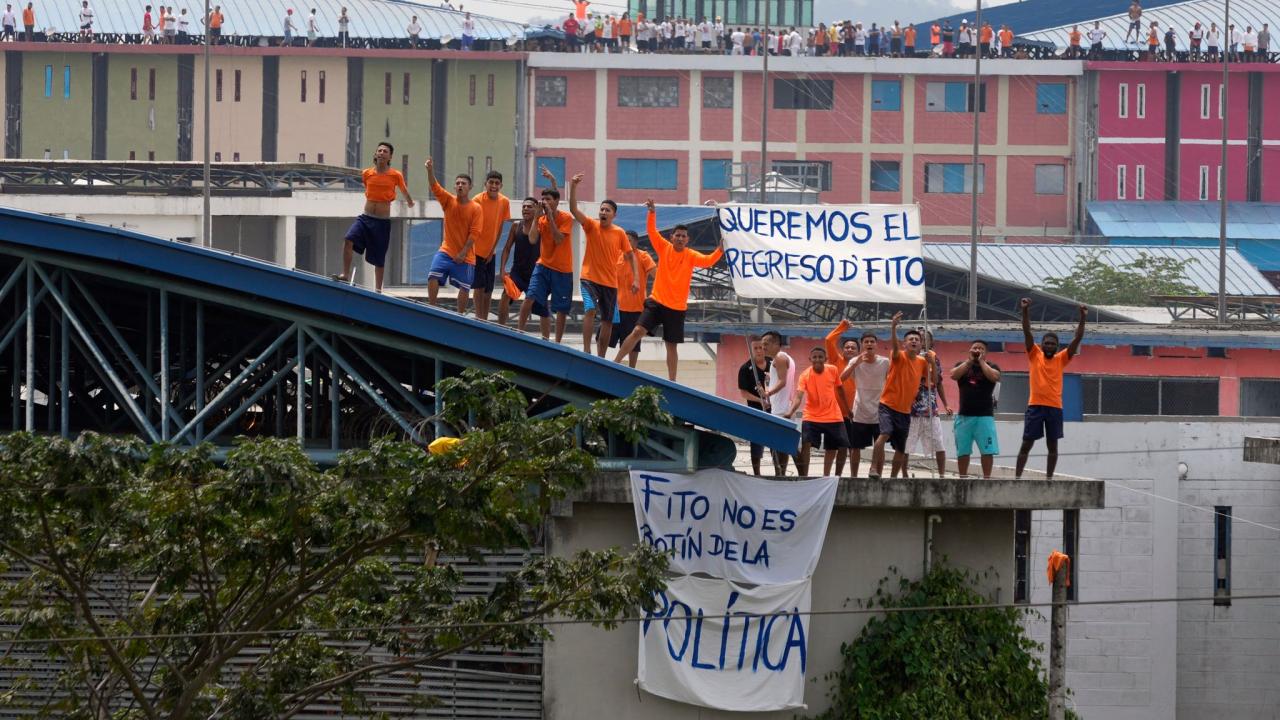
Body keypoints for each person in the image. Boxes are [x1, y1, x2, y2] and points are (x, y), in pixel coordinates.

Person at [611, 200, 723, 381]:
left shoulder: (691, 255)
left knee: (671, 346)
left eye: (683, 236)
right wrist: (652, 212)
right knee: (637, 331)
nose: (680, 238)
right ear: (672, 237)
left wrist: (720, 250)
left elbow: (709, 260)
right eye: (677, 235)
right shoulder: (664, 248)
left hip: (677, 308)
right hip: (656, 301)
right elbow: (653, 232)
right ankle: (615, 362)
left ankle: (672, 381)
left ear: (688, 240)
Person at [1015, 298, 1087, 480]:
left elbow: (1077, 338)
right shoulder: (1034, 354)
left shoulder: (1062, 358)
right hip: (1035, 406)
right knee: (1026, 444)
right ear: (1041, 344)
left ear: (1057, 347)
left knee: (1052, 445)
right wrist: (1025, 310)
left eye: (1052, 344)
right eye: (1046, 343)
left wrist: (1082, 317)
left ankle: (1049, 478)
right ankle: (1016, 478)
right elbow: (1026, 331)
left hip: (1055, 407)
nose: (1049, 346)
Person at [567, 172, 638, 356]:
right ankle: (586, 349)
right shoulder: (591, 225)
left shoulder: (620, 233)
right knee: (590, 309)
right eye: (602, 209)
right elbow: (574, 210)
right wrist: (574, 187)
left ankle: (601, 356)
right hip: (589, 278)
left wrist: (636, 279)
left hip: (609, 283)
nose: (603, 212)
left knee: (608, 320)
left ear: (614, 214)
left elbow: (630, 256)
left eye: (607, 210)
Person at [332, 142, 414, 292]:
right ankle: (345, 273)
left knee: (379, 258)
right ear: (376, 154)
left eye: (385, 151)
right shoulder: (367, 173)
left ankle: (378, 290)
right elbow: (368, 187)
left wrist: (409, 202)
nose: (382, 153)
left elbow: (404, 190)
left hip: (382, 222)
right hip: (366, 217)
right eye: (379, 151)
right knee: (349, 239)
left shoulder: (395, 175)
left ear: (390, 156)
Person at [868, 312, 929, 480]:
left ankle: (894, 478)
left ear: (921, 344)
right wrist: (893, 327)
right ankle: (873, 468)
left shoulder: (923, 362)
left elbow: (932, 381)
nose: (914, 341)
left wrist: (931, 362)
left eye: (917, 340)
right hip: (887, 404)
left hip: (905, 410)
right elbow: (894, 347)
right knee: (885, 433)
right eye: (911, 339)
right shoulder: (898, 356)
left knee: (901, 447)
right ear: (905, 344)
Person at [517, 173, 574, 342]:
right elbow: (532, 238)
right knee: (529, 297)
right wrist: (536, 217)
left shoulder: (566, 218)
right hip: (543, 266)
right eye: (543, 200)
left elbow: (558, 239)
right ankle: (519, 332)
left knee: (561, 309)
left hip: (563, 270)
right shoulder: (540, 219)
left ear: (556, 201)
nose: (545, 203)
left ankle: (557, 342)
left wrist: (550, 217)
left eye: (548, 199)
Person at [425, 157, 483, 314]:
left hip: (466, 256)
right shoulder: (448, 201)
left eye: (463, 183)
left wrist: (463, 252)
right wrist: (430, 170)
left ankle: (460, 315)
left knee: (465, 287)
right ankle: (431, 307)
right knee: (432, 276)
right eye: (457, 183)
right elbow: (434, 186)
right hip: (446, 250)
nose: (460, 186)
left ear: (470, 187)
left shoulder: (476, 208)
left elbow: (475, 233)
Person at [785, 346, 850, 477]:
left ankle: (837, 476)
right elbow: (798, 396)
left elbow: (840, 389)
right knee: (806, 443)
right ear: (810, 359)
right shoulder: (805, 375)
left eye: (820, 357)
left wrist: (847, 409)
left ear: (825, 359)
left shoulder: (833, 370)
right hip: (812, 415)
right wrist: (791, 411)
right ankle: (804, 475)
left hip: (833, 415)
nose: (817, 359)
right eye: (815, 357)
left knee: (843, 445)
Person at [840, 331, 890, 478]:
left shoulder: (885, 362)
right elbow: (841, 378)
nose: (869, 344)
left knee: (879, 446)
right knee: (855, 447)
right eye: (866, 342)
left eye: (872, 341)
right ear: (862, 345)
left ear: (876, 344)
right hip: (860, 410)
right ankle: (854, 477)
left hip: (879, 410)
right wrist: (855, 363)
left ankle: (877, 474)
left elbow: (892, 380)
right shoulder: (855, 361)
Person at [951, 340, 1001, 478]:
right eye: (975, 348)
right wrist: (969, 361)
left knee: (987, 450)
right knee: (963, 451)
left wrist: (981, 362)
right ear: (969, 350)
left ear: (986, 352)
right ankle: (962, 478)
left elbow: (995, 377)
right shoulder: (962, 365)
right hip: (964, 416)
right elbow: (953, 375)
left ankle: (986, 479)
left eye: (981, 349)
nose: (977, 350)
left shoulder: (992, 366)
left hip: (984, 416)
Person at [905, 332, 949, 478]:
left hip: (930, 408)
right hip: (910, 408)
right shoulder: (906, 357)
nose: (921, 341)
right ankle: (904, 473)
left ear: (931, 342)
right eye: (919, 339)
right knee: (906, 444)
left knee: (938, 443)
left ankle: (942, 474)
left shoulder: (933, 358)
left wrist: (946, 404)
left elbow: (937, 382)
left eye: (925, 339)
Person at [497, 197, 543, 331]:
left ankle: (521, 331)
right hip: (517, 271)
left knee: (539, 304)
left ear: (536, 209)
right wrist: (502, 269)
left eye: (529, 207)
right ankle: (501, 328)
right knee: (505, 295)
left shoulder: (541, 225)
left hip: (534, 273)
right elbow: (506, 248)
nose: (526, 209)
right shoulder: (516, 225)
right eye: (524, 207)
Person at [610, 230, 654, 367]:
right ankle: (602, 363)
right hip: (616, 307)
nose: (626, 243)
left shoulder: (643, 256)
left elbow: (656, 276)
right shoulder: (616, 255)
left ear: (635, 242)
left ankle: (632, 369)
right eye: (624, 240)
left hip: (636, 308)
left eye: (629, 240)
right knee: (604, 337)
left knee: (633, 344)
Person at [471, 171, 510, 321]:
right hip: (476, 250)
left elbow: (500, 226)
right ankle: (478, 317)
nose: (493, 186)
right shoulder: (477, 200)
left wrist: (493, 249)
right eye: (491, 182)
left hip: (490, 252)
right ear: (485, 184)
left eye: (497, 183)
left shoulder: (504, 202)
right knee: (478, 287)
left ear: (501, 185)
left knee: (488, 289)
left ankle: (484, 319)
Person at [824, 319, 858, 476]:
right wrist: (842, 327)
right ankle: (826, 475)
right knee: (831, 447)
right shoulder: (836, 360)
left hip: (852, 413)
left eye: (853, 347)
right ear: (842, 350)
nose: (850, 349)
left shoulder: (860, 365)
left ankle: (839, 476)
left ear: (857, 351)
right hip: (834, 412)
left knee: (846, 447)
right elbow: (829, 340)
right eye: (847, 347)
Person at [760, 330, 795, 476]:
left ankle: (780, 472)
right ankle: (781, 473)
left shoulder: (779, 358)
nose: (763, 348)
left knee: (778, 444)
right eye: (762, 344)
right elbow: (779, 380)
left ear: (776, 343)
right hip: (780, 405)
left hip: (781, 408)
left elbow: (782, 382)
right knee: (783, 444)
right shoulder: (783, 358)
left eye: (766, 344)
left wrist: (768, 393)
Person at [737, 339, 773, 476]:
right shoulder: (745, 369)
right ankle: (757, 473)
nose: (759, 351)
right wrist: (760, 400)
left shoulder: (773, 364)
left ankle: (779, 471)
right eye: (756, 348)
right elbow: (743, 393)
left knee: (775, 442)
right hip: (755, 411)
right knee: (757, 442)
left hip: (775, 410)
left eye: (761, 347)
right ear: (751, 350)